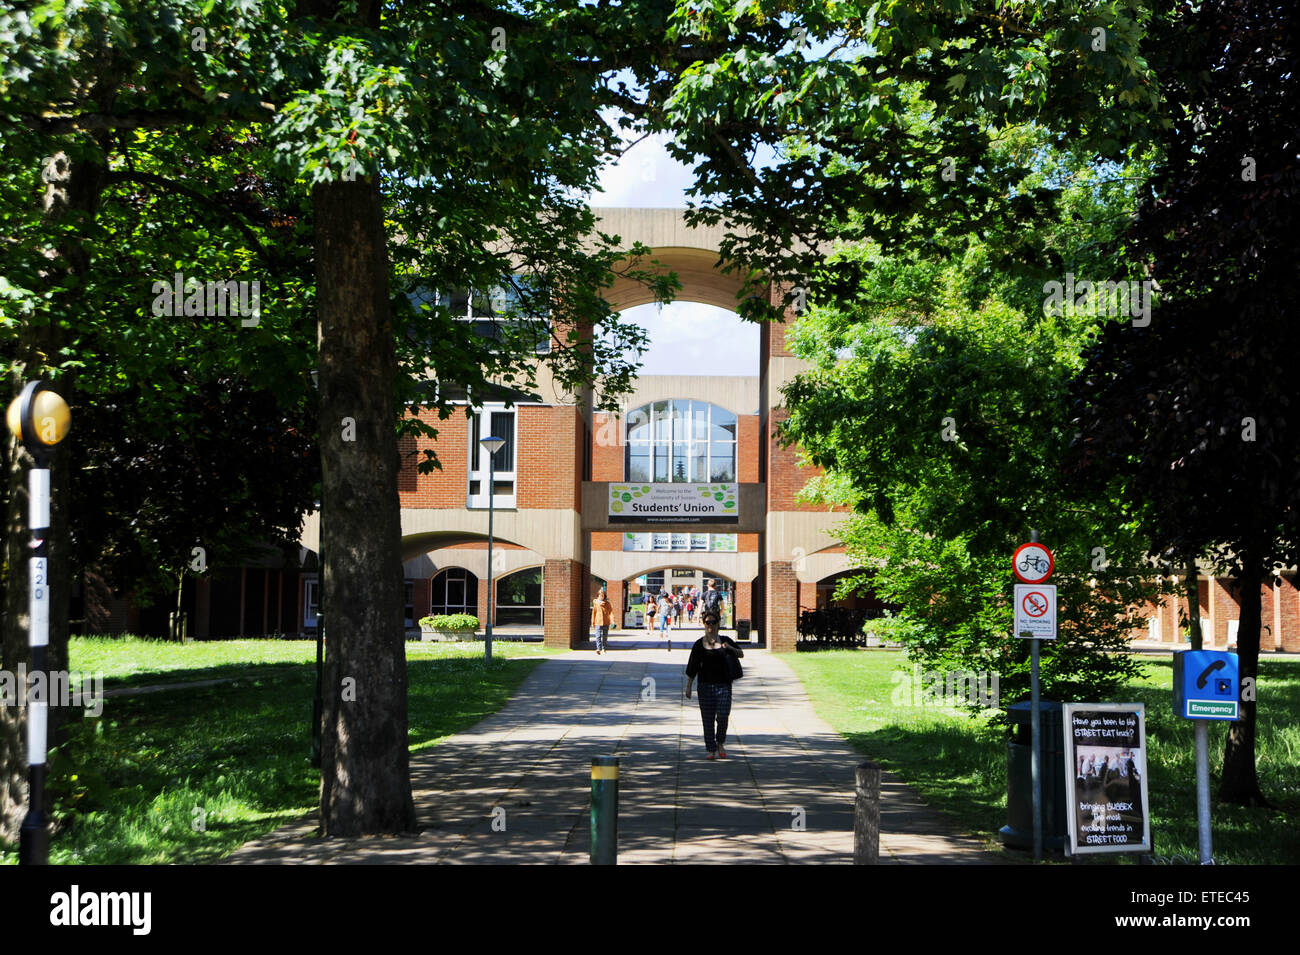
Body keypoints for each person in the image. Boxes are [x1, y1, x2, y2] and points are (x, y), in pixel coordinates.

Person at [684, 617, 744, 759]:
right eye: (707, 622)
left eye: (713, 622)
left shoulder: (725, 640)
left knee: (723, 716)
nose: (710, 625)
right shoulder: (699, 644)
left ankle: (720, 742)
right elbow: (693, 666)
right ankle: (711, 749)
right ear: (704, 624)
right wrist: (689, 687)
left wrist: (728, 648)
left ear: (718, 624)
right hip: (705, 686)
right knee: (708, 719)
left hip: (724, 685)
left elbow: (740, 653)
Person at [591, 587, 613, 655]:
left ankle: (604, 648)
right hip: (598, 621)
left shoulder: (607, 603)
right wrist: (593, 622)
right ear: (598, 595)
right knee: (598, 636)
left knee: (605, 636)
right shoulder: (596, 603)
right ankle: (598, 648)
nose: (602, 596)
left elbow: (611, 612)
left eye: (603, 595)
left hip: (606, 622)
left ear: (604, 596)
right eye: (600, 595)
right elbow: (594, 613)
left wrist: (612, 621)